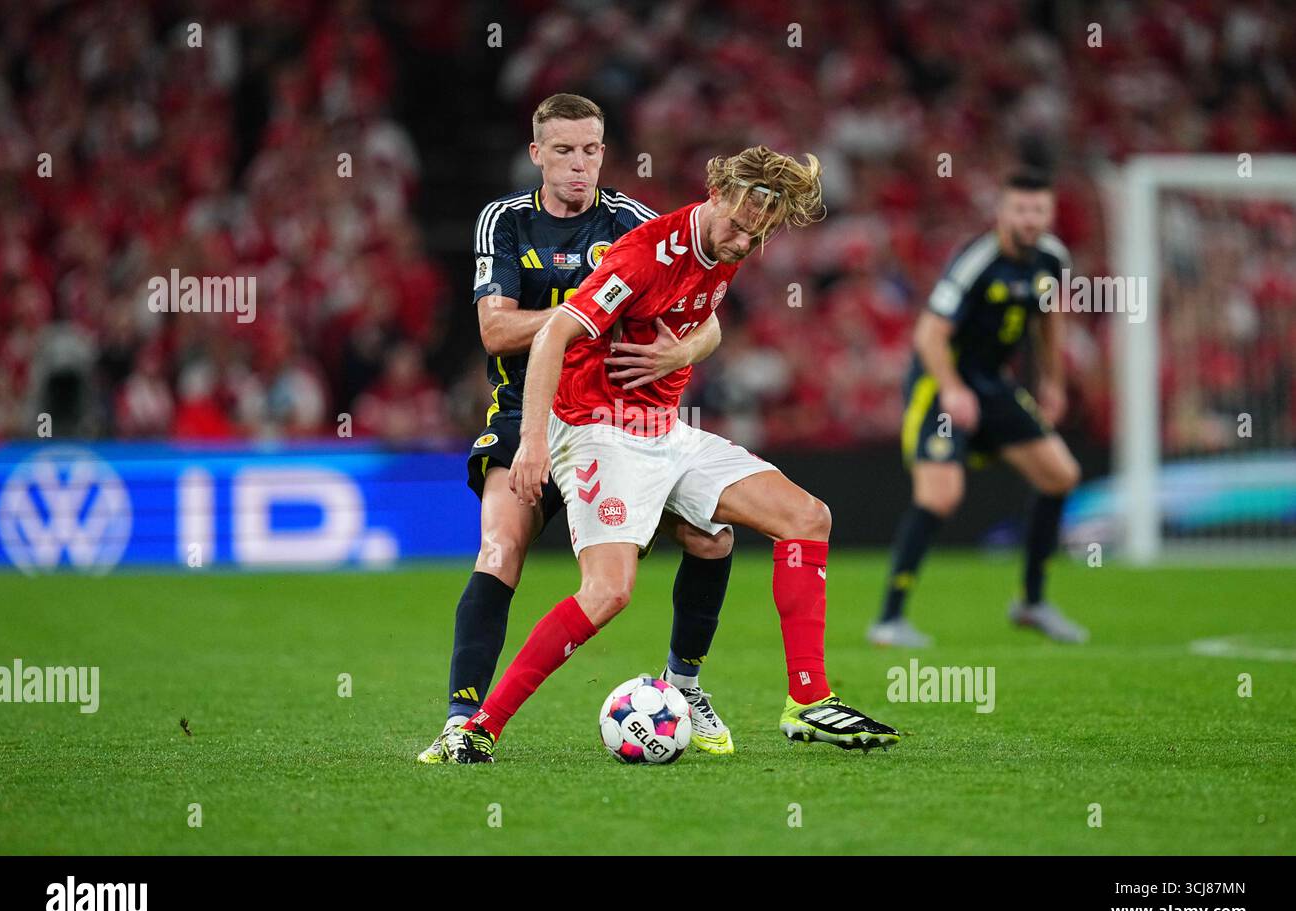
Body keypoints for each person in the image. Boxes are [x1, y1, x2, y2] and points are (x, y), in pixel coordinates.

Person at [442, 145, 901, 764]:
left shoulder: (727, 245)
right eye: (737, 225)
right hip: (598, 428)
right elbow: (553, 333)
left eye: (757, 232)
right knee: (608, 592)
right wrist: (532, 443)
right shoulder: (643, 254)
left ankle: (807, 703)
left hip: (665, 429)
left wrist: (680, 355)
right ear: (714, 196)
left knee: (805, 517)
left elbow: (704, 321)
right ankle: (478, 728)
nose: (744, 240)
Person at [418, 94, 738, 764]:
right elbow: (495, 328)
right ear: (537, 154)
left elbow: (705, 315)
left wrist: (681, 351)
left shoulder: (636, 224)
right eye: (563, 151)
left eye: (590, 150)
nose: (578, 165)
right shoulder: (504, 221)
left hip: (617, 421)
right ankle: (462, 718)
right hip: (525, 417)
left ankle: (686, 686)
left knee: (710, 534)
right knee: (500, 551)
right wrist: (590, 314)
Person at [868, 168, 1089, 648]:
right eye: (1020, 209)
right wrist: (951, 388)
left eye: (1038, 210)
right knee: (940, 497)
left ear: (1049, 214)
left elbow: (1050, 319)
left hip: (993, 386)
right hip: (940, 383)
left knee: (1060, 475)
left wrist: (1052, 381)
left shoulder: (1053, 258)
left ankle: (1032, 602)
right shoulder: (976, 261)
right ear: (1002, 213)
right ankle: (889, 619)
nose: (1029, 219)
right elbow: (928, 335)